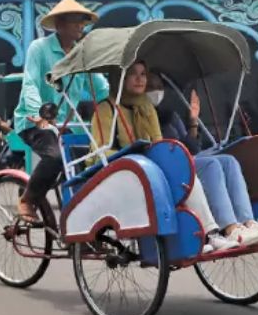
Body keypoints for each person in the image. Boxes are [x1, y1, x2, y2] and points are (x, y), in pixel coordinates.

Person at [89, 61, 239, 252]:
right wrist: (136, 155)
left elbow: (158, 143)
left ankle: (212, 233)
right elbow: (100, 152)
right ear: (120, 78)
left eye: (143, 74)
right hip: (120, 173)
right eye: (132, 74)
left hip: (146, 169)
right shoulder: (106, 109)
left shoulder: (146, 107)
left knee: (184, 171)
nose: (139, 79)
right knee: (183, 174)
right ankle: (209, 234)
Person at [147, 73, 258, 245]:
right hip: (166, 167)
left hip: (184, 158)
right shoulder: (140, 113)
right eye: (150, 86)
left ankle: (248, 222)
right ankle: (230, 228)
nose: (155, 91)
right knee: (211, 164)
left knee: (229, 161)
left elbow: (192, 148)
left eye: (159, 87)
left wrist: (193, 122)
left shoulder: (169, 117)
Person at [15, 0, 110, 223]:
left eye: (83, 23)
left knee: (91, 163)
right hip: (34, 122)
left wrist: (121, 95)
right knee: (54, 157)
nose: (81, 26)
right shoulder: (39, 49)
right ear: (59, 25)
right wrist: (39, 115)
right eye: (76, 21)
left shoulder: (82, 55)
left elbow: (100, 88)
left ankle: (81, 223)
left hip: (64, 126)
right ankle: (27, 199)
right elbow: (30, 83)